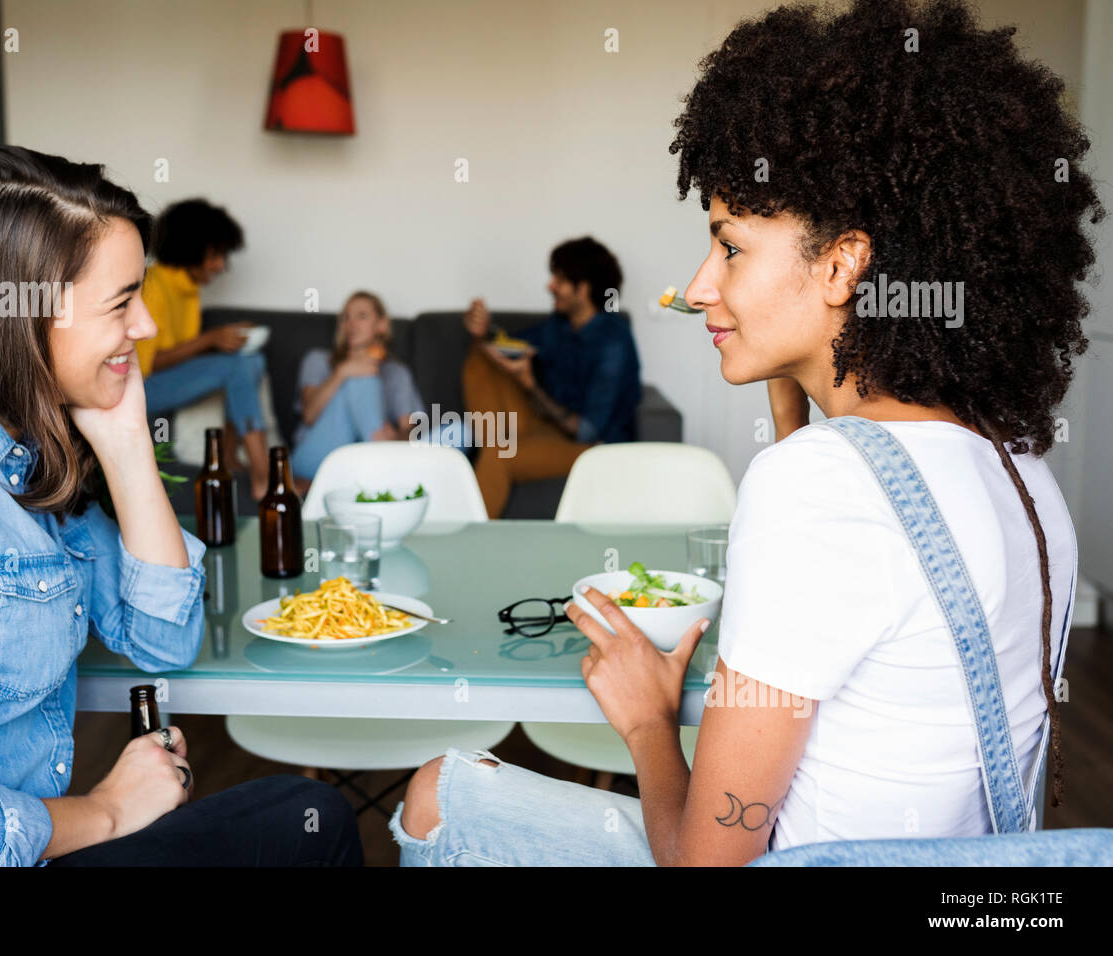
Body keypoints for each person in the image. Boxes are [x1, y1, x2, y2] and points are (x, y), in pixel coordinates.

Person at [390, 0, 1099, 866]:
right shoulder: (1021, 475)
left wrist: (650, 724)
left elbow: (704, 862)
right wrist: (800, 396)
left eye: (729, 247)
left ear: (842, 265)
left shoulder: (815, 490)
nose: (695, 287)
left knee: (436, 794)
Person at [0, 146, 362, 867]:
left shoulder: (21, 461)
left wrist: (129, 440)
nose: (147, 329)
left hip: (31, 850)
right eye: (121, 302)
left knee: (309, 812)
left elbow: (163, 638)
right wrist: (105, 812)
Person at [462, 236, 642, 518]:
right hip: (542, 429)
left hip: (592, 447)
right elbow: (506, 349)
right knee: (479, 361)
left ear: (582, 288)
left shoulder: (613, 340)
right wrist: (481, 333)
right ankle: (496, 442)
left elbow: (586, 430)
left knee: (499, 454)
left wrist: (531, 387)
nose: (550, 286)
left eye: (559, 279)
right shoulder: (556, 326)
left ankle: (467, 544)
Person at [136, 199, 271, 502]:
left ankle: (229, 455)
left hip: (169, 378)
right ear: (191, 248)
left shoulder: (188, 289)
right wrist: (210, 340)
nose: (221, 265)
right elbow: (149, 365)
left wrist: (227, 338)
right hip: (144, 386)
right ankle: (264, 476)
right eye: (216, 254)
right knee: (240, 365)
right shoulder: (154, 286)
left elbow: (188, 353)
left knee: (251, 359)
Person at [290, 290, 424, 489]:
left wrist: (396, 437)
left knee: (458, 432)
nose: (351, 324)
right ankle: (385, 470)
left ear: (381, 325)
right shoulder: (318, 360)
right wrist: (343, 372)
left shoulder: (397, 373)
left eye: (361, 316)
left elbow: (411, 428)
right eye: (346, 317)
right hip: (315, 459)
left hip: (360, 461)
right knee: (361, 379)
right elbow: (309, 415)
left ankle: (376, 467)